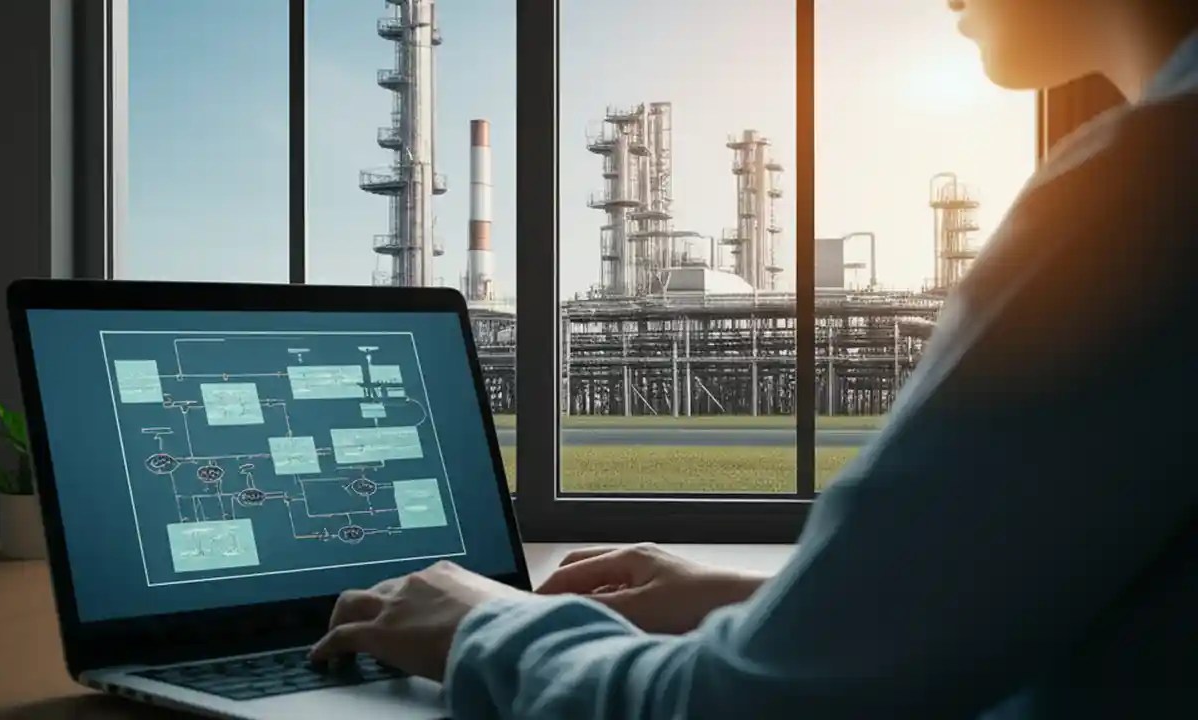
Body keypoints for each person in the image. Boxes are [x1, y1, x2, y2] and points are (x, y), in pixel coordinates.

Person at [311, 1, 1198, 716]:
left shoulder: (1141, 191)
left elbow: (737, 708)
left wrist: (484, 627)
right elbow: (1056, 594)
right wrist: (753, 599)